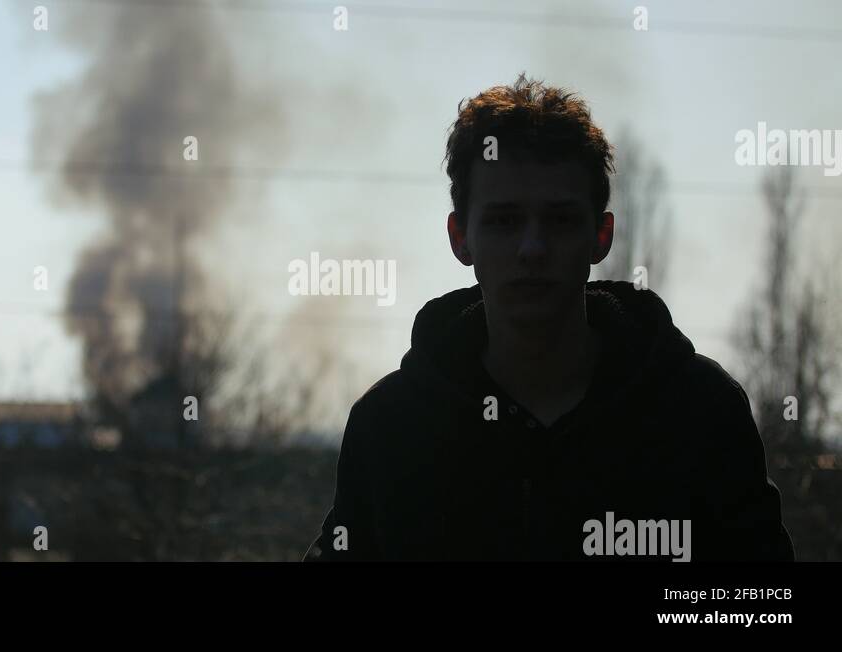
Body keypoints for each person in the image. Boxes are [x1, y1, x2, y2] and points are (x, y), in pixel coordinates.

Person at [303, 73, 794, 561]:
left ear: (601, 236)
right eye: (504, 221)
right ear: (460, 238)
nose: (533, 248)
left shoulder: (699, 414)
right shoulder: (392, 428)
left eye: (559, 220)